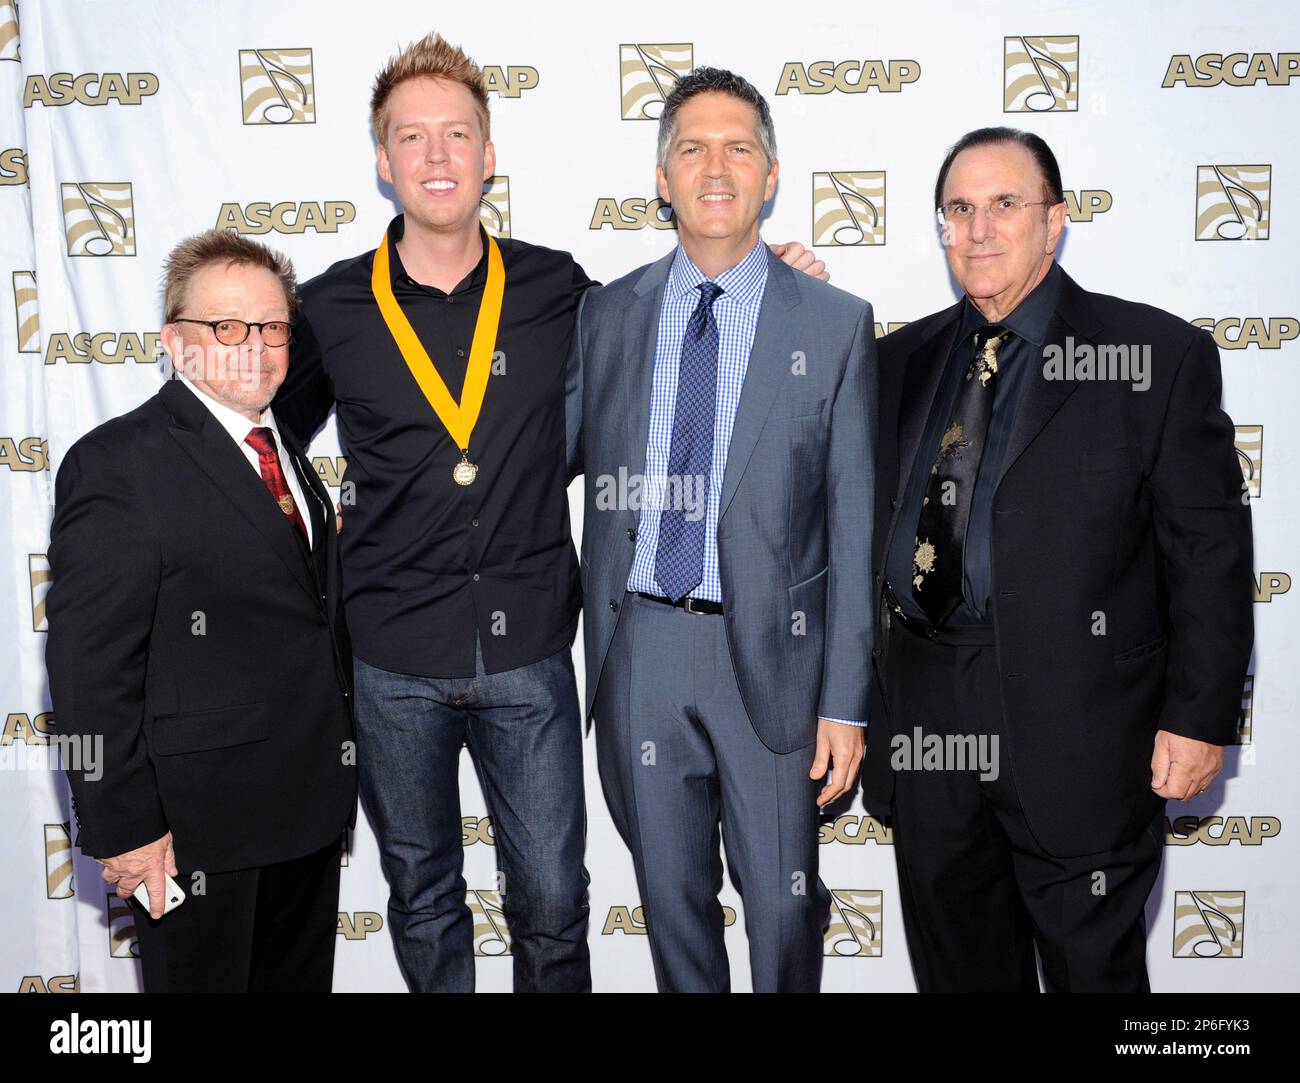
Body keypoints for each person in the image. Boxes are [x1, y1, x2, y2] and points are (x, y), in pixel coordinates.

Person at [273, 34, 826, 993]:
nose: (437, 156)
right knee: (422, 899)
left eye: (458, 135)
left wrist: (767, 283)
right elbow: (267, 450)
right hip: (391, 660)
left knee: (553, 905)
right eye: (413, 137)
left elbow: (672, 332)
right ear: (382, 161)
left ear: (490, 157)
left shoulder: (560, 290)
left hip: (530, 647)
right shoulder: (327, 309)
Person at [862, 127, 1254, 992]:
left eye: (1005, 204)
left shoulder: (1152, 358)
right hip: (930, 723)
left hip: (1086, 734)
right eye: (958, 210)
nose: (980, 229)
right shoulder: (896, 361)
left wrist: (1199, 718)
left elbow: (1211, 558)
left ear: (1056, 220)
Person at [568, 67, 876, 992]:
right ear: (662, 179)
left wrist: (847, 701)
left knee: (785, 908)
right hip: (640, 654)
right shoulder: (604, 315)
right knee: (672, 902)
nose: (715, 167)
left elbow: (856, 523)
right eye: (691, 148)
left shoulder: (833, 323)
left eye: (738, 147)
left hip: (775, 666)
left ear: (770, 175)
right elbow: (534, 458)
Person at [45, 229, 357, 993]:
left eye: (273, 326)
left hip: (305, 811)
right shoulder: (120, 463)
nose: (254, 345)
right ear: (175, 343)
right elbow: (87, 669)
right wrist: (125, 829)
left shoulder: (283, 448)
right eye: (226, 327)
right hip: (194, 833)